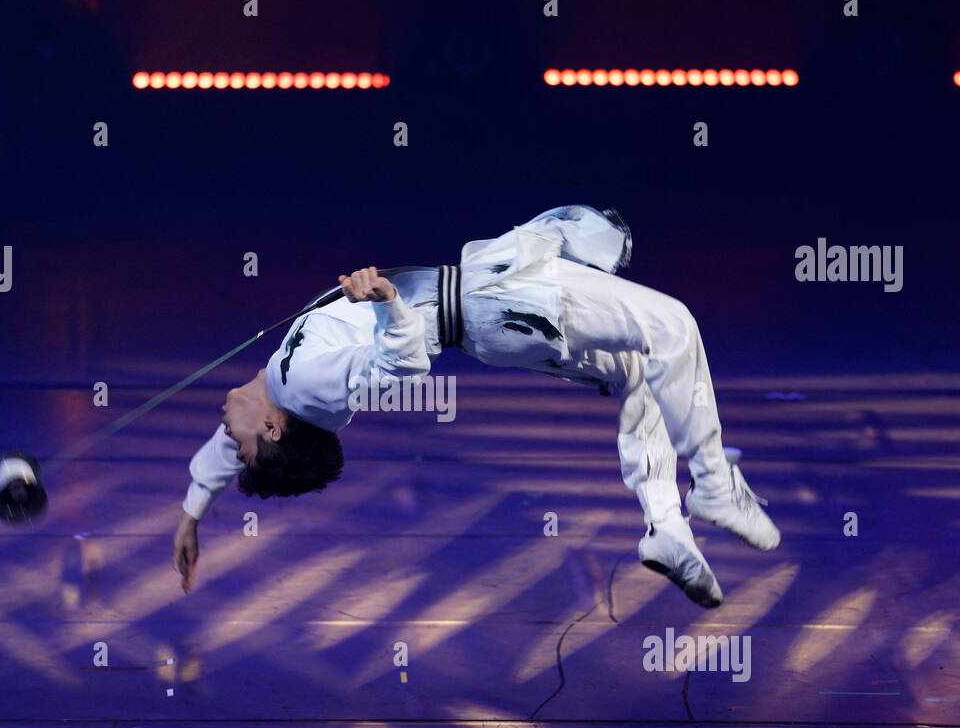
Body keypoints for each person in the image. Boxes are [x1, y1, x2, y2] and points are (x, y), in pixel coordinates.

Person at [173, 205, 779, 607]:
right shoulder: (307, 385)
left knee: (639, 373)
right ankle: (715, 488)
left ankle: (667, 526)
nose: (228, 431)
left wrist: (193, 512)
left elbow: (232, 450)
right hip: (499, 303)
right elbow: (399, 365)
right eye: (246, 442)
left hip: (495, 325)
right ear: (275, 427)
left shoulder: (286, 383)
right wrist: (388, 302)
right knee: (673, 325)